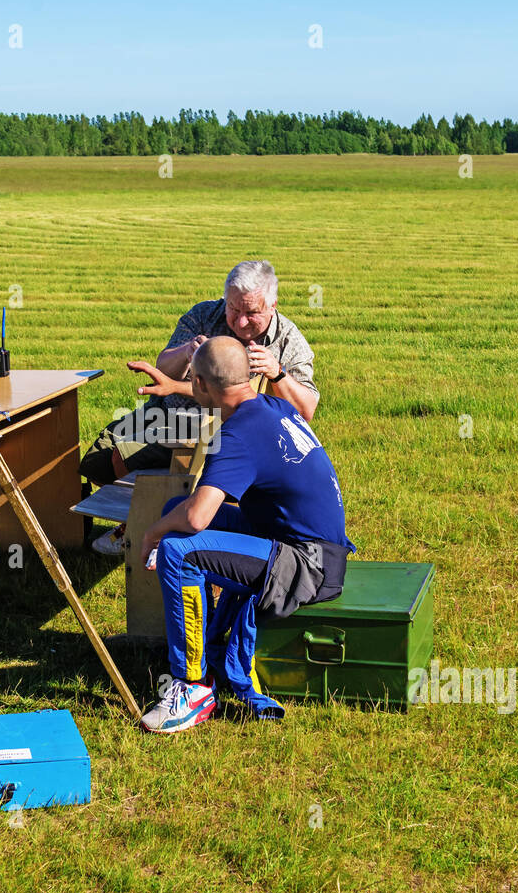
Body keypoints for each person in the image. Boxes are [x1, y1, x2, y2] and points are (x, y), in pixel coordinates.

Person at [138, 336, 355, 734]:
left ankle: (193, 687)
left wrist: (150, 532)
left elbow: (200, 517)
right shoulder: (268, 405)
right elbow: (191, 512)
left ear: (201, 385)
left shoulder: (236, 435)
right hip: (303, 544)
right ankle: (198, 642)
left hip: (305, 565)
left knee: (178, 549)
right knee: (175, 513)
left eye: (193, 381)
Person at [82, 259, 319, 553]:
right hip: (170, 415)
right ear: (225, 298)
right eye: (233, 309)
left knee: (129, 456)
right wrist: (187, 352)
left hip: (232, 431)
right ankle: (143, 520)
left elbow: (304, 413)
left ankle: (150, 531)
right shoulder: (205, 314)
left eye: (251, 312)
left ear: (272, 305)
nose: (241, 321)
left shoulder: (288, 341)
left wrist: (278, 373)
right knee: (96, 463)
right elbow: (164, 368)